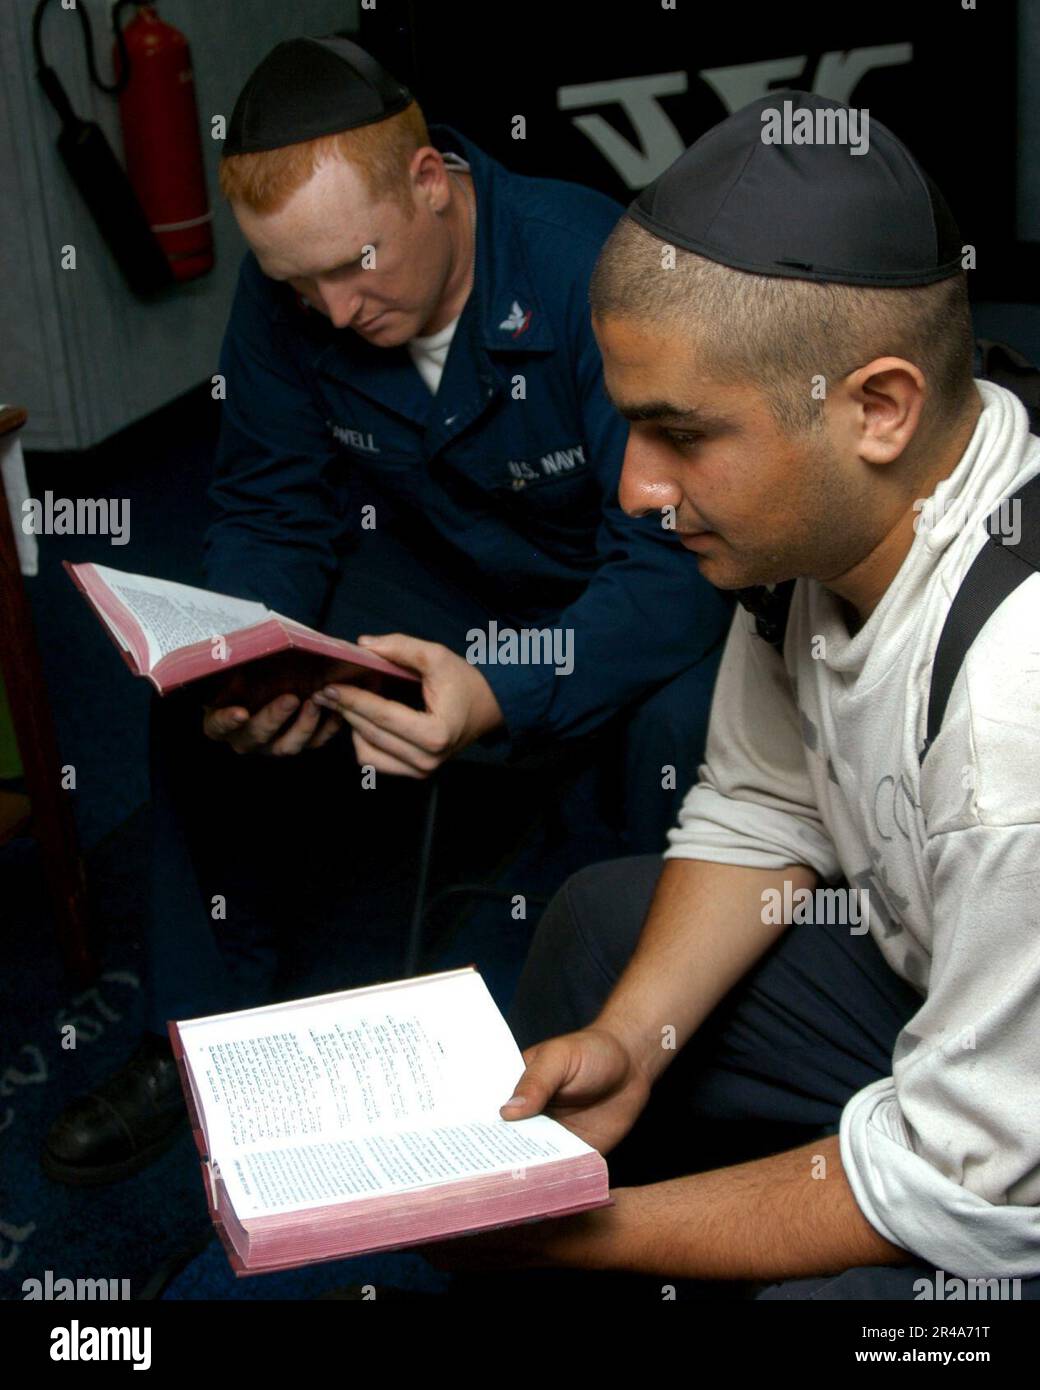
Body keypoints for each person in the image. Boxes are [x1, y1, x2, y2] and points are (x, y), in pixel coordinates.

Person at [42, 37, 731, 1185]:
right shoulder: (300, 292)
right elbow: (269, 503)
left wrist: (500, 689)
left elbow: (668, 565)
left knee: (690, 731)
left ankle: (633, 1057)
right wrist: (241, 653)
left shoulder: (598, 269)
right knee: (199, 700)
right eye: (297, 282)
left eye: (354, 266)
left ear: (429, 180)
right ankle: (201, 1047)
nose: (331, 307)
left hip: (615, 590)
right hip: (429, 574)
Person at [424, 92, 1040, 1298]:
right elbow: (761, 803)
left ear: (876, 408)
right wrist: (627, 1045)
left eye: (677, 433)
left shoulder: (1010, 709)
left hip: (1011, 1152)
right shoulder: (828, 527)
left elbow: (971, 1188)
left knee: (839, 1305)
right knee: (601, 935)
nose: (635, 489)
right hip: (948, 984)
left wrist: (590, 1229)